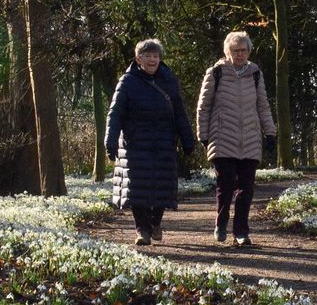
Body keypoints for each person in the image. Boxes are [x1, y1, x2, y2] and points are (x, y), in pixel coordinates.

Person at [103, 38, 198, 245]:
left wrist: (188, 140)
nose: (152, 59)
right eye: (148, 56)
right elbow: (115, 114)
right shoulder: (127, 82)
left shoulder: (169, 80)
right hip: (135, 144)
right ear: (138, 59)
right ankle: (142, 230)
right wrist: (110, 141)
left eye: (155, 56)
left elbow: (180, 113)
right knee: (137, 188)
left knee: (162, 186)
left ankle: (155, 222)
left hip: (164, 142)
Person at [196, 30, 277, 246]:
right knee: (226, 184)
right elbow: (203, 107)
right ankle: (221, 222)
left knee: (247, 188)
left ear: (249, 51)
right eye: (235, 50)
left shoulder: (255, 74)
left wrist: (270, 132)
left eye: (243, 50)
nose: (240, 54)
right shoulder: (216, 73)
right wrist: (203, 135)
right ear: (227, 51)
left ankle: (241, 231)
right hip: (222, 138)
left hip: (250, 139)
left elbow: (263, 105)